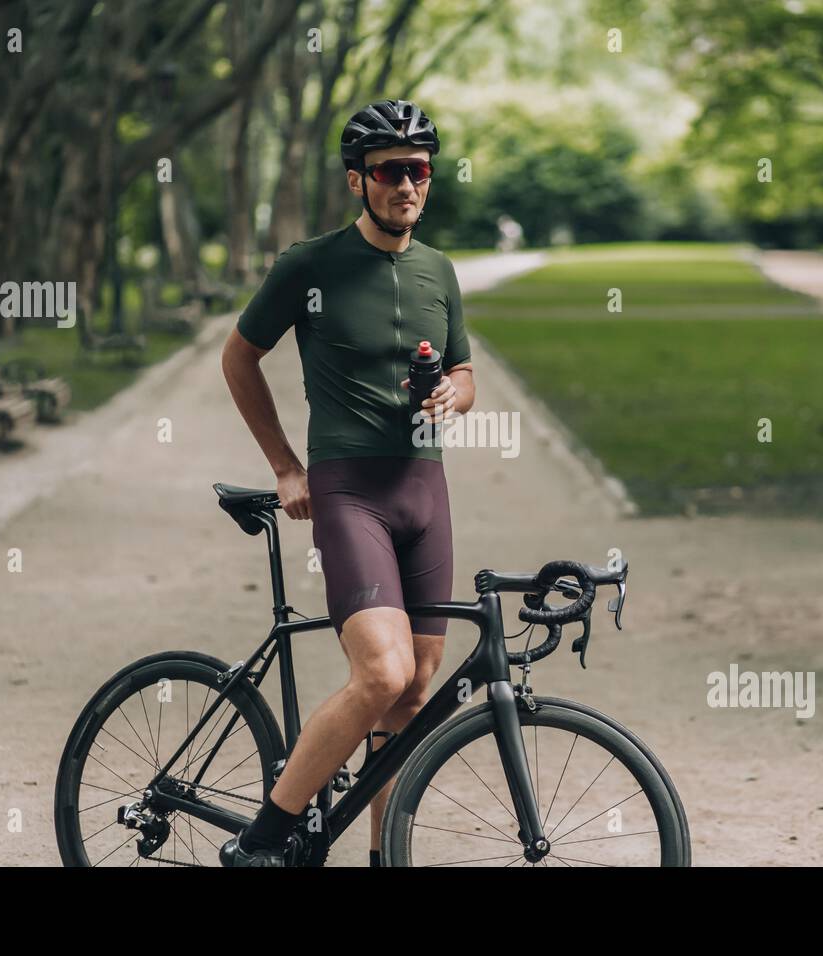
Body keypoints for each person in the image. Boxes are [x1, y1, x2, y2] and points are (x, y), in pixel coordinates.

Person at [220, 99, 475, 866]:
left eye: (421, 171)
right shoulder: (311, 265)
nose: (409, 186)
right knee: (381, 672)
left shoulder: (438, 270)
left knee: (417, 688)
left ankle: (378, 857)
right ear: (357, 181)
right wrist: (286, 467)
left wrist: (453, 395)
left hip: (424, 491)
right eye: (393, 172)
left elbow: (464, 373)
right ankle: (261, 843)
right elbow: (239, 358)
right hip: (349, 489)